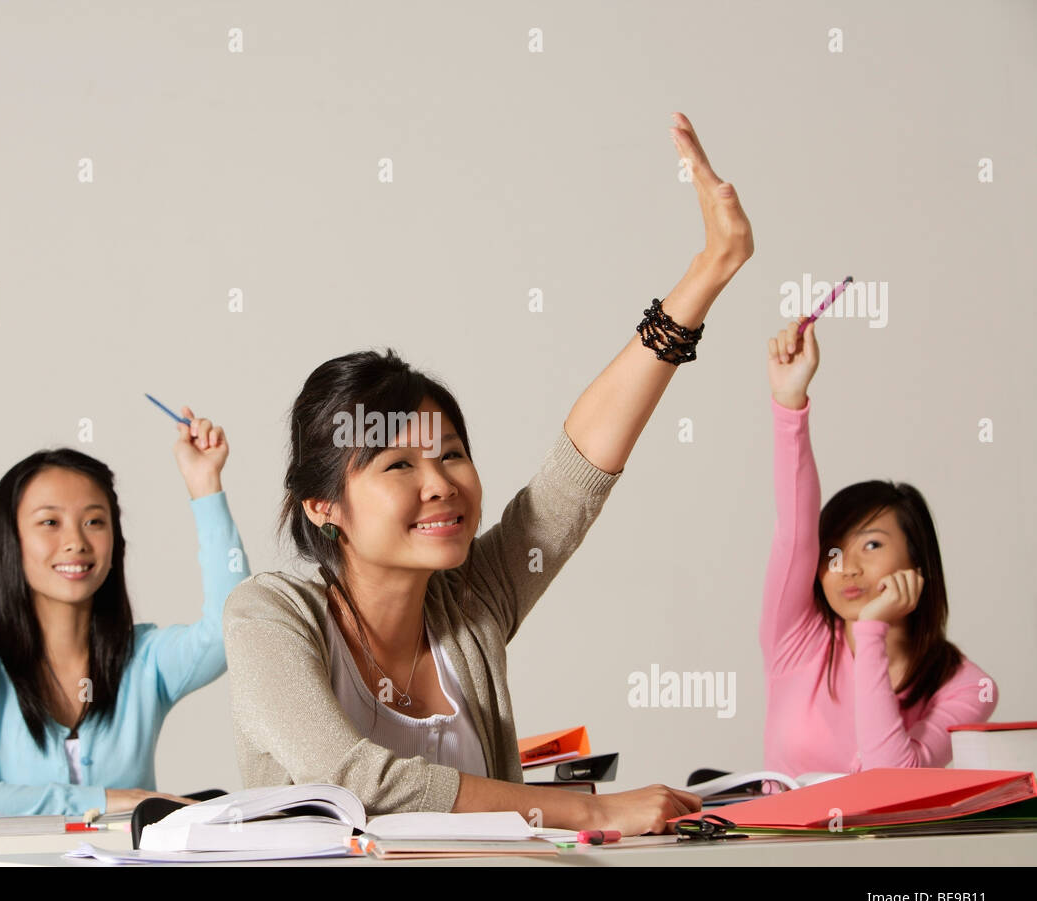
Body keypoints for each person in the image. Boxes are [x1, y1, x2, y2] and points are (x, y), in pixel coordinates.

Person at [223, 113, 753, 836]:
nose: (439, 483)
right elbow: (348, 781)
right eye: (397, 464)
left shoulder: (472, 601)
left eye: (449, 454)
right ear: (323, 505)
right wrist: (588, 810)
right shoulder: (267, 616)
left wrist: (709, 271)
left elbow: (577, 474)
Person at [0, 407, 249, 817]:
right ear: (11, 541)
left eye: (95, 521)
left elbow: (232, 629)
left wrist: (205, 486)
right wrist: (111, 800)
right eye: (49, 523)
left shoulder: (144, 659)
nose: (75, 541)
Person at [760, 319, 997, 775]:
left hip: (886, 850)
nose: (847, 568)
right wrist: (790, 404)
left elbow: (890, 779)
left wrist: (871, 633)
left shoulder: (966, 686)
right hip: (781, 845)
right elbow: (795, 531)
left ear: (917, 560)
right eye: (833, 553)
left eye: (871, 545)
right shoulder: (796, 637)